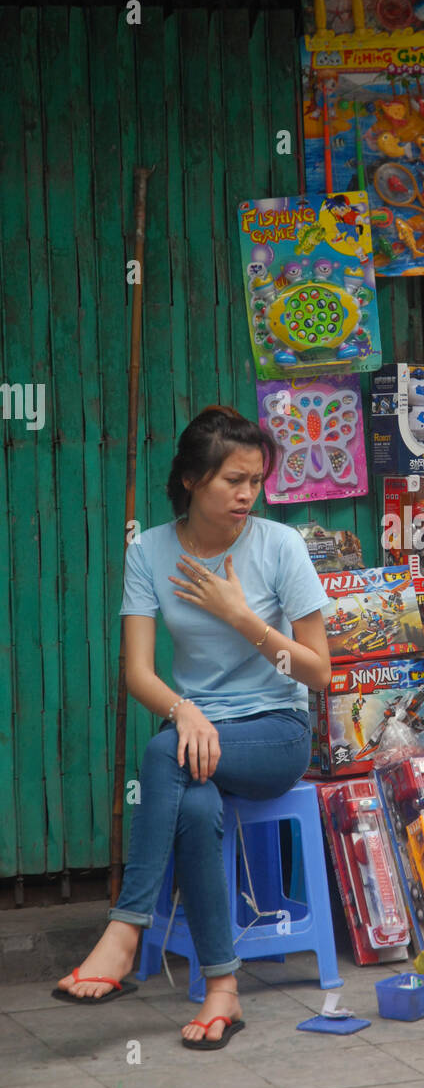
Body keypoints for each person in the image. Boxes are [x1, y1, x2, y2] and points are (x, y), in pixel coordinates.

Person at [53, 407, 332, 1049]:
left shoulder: (279, 546)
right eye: (232, 480)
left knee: (162, 757)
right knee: (194, 796)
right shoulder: (148, 550)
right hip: (196, 734)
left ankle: (124, 931)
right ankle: (223, 993)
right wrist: (184, 709)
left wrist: (245, 619)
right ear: (189, 480)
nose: (246, 494)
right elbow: (139, 673)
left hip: (275, 732)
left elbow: (317, 673)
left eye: (256, 481)